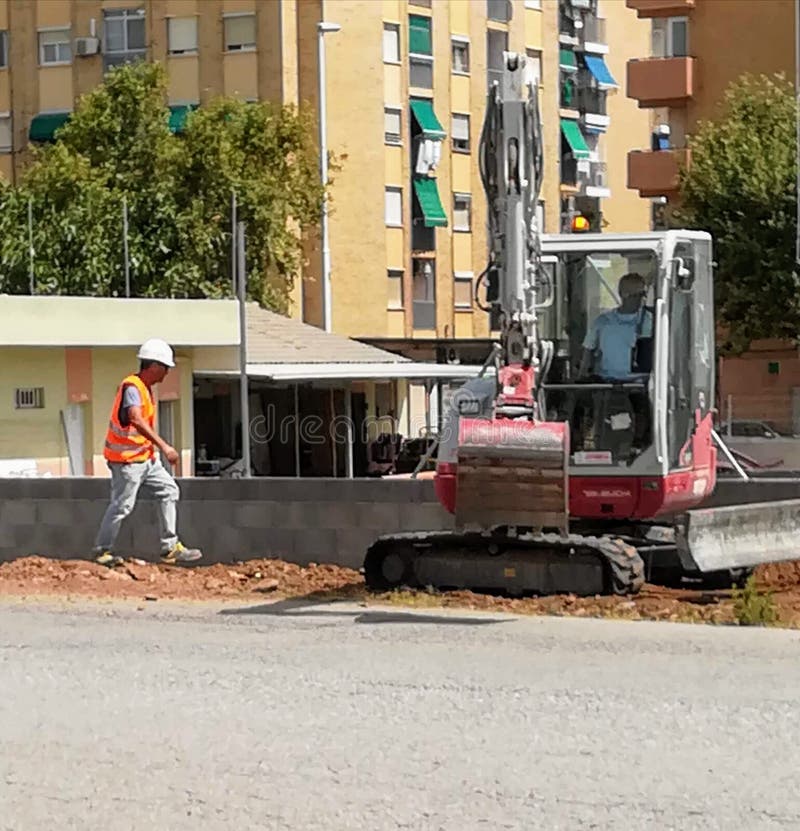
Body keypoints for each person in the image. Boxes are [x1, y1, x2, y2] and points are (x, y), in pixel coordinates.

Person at [93, 338, 202, 567]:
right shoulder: (132, 387)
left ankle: (169, 547)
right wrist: (164, 446)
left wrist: (153, 452)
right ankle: (102, 550)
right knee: (122, 505)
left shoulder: (145, 390)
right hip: (127, 462)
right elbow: (135, 418)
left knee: (169, 490)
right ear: (153, 366)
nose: (166, 374)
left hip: (146, 459)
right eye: (164, 368)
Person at [578, 273, 653, 382]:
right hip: (608, 383)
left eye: (642, 295)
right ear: (622, 294)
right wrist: (582, 379)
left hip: (640, 385)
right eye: (634, 295)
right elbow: (587, 353)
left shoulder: (651, 321)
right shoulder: (603, 322)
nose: (639, 299)